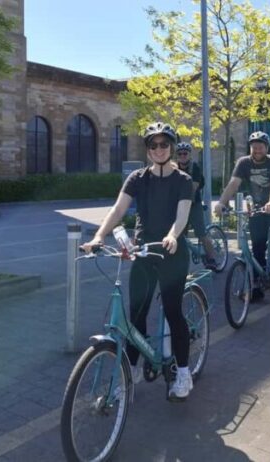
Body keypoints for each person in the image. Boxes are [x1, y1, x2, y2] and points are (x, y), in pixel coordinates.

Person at [82, 122, 195, 401]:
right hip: (143, 252)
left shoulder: (183, 181)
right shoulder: (137, 178)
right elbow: (118, 209)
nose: (159, 149)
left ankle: (183, 373)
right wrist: (98, 237)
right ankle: (130, 372)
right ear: (147, 150)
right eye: (153, 145)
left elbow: (182, 216)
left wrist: (172, 235)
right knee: (136, 316)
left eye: (164, 144)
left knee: (172, 311)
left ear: (171, 147)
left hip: (171, 252)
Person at [214, 131, 270, 300]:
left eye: (260, 147)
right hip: (256, 208)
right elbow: (233, 184)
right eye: (254, 147)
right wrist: (222, 203)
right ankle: (256, 286)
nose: (257, 150)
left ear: (266, 148)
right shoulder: (243, 163)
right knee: (257, 245)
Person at [175, 142, 217, 268]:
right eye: (180, 153)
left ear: (189, 155)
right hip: (179, 205)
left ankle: (212, 259)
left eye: (185, 153)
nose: (182, 155)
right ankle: (179, 263)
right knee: (179, 236)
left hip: (194, 204)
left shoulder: (195, 168)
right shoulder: (174, 168)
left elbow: (193, 188)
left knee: (201, 234)